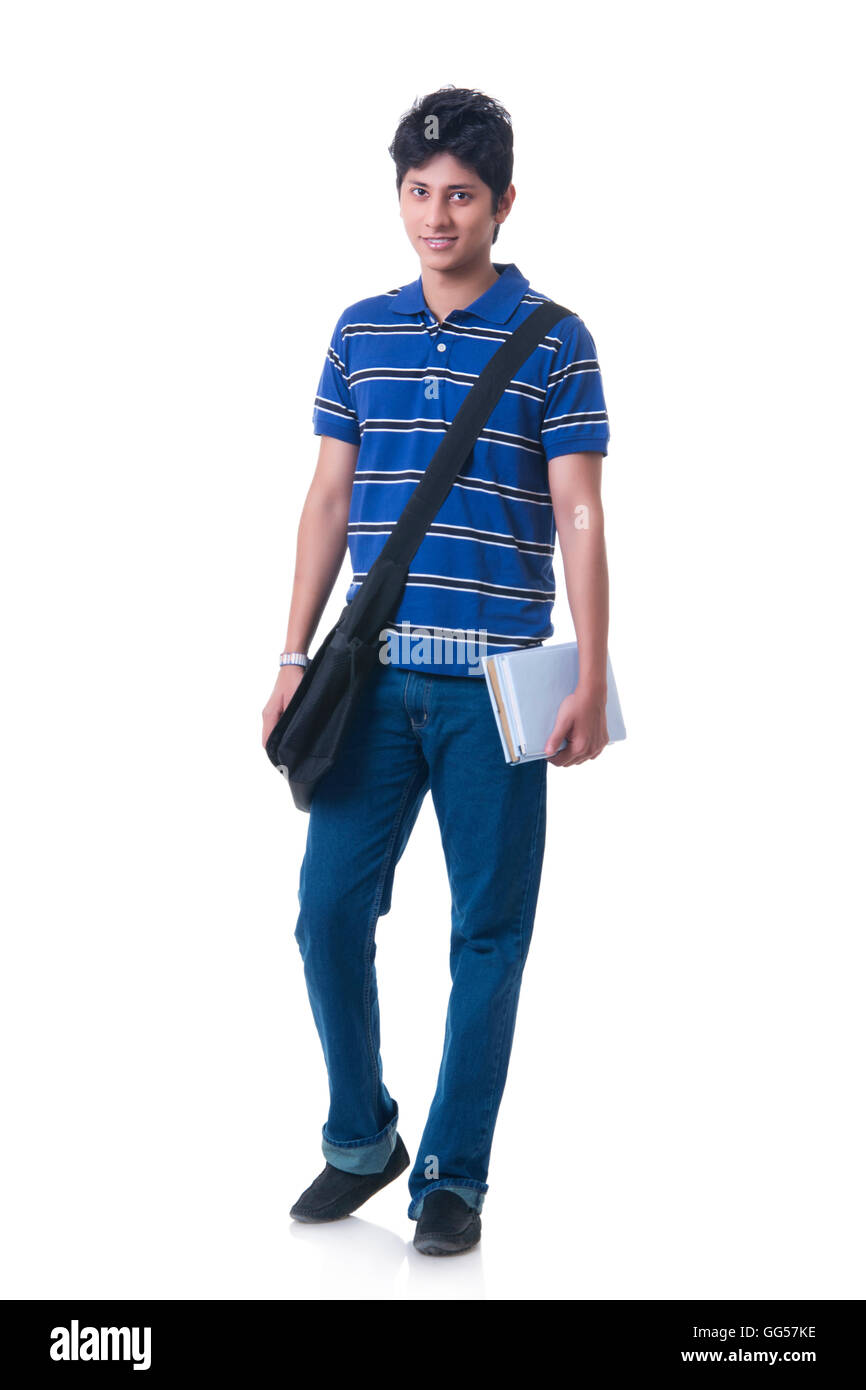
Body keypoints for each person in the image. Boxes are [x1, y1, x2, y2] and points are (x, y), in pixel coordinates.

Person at [261, 86, 612, 1256]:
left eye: (460, 193)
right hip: (369, 686)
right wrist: (289, 653)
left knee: (487, 934)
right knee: (324, 912)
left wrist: (592, 672)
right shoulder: (360, 329)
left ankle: (454, 1174)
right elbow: (325, 499)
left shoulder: (556, 340)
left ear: (503, 202)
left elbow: (579, 514)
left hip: (499, 690)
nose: (435, 214)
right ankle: (361, 1137)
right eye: (417, 192)